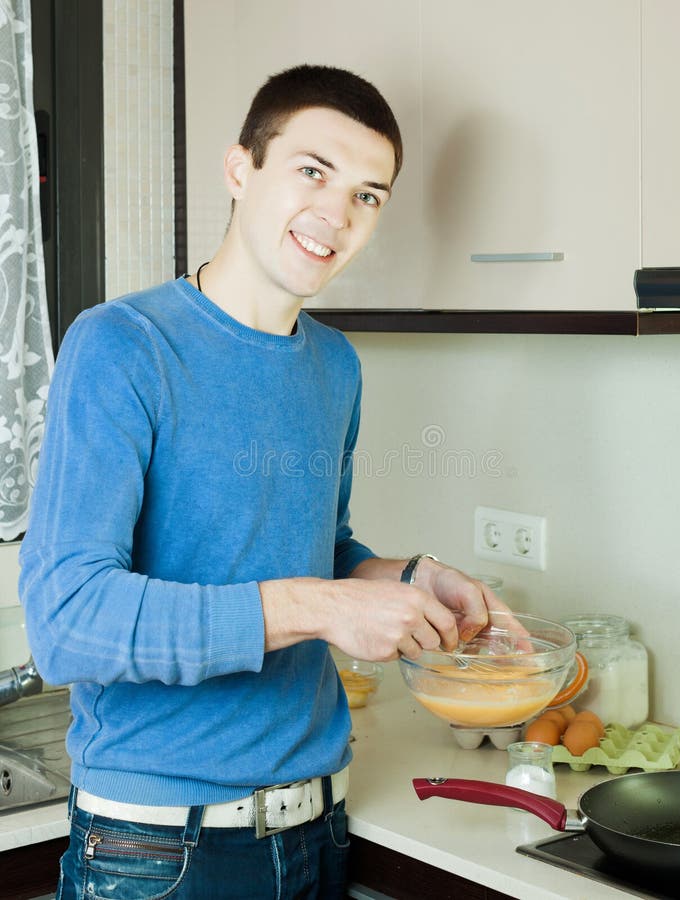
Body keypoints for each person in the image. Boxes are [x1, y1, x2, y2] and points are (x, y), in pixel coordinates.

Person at [19, 64, 511, 899]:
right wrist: (321, 608)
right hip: (158, 852)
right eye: (312, 172)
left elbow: (321, 549)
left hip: (319, 828)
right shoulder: (123, 347)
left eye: (368, 195)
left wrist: (410, 577)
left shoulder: (333, 365)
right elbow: (66, 620)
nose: (337, 213)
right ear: (240, 168)